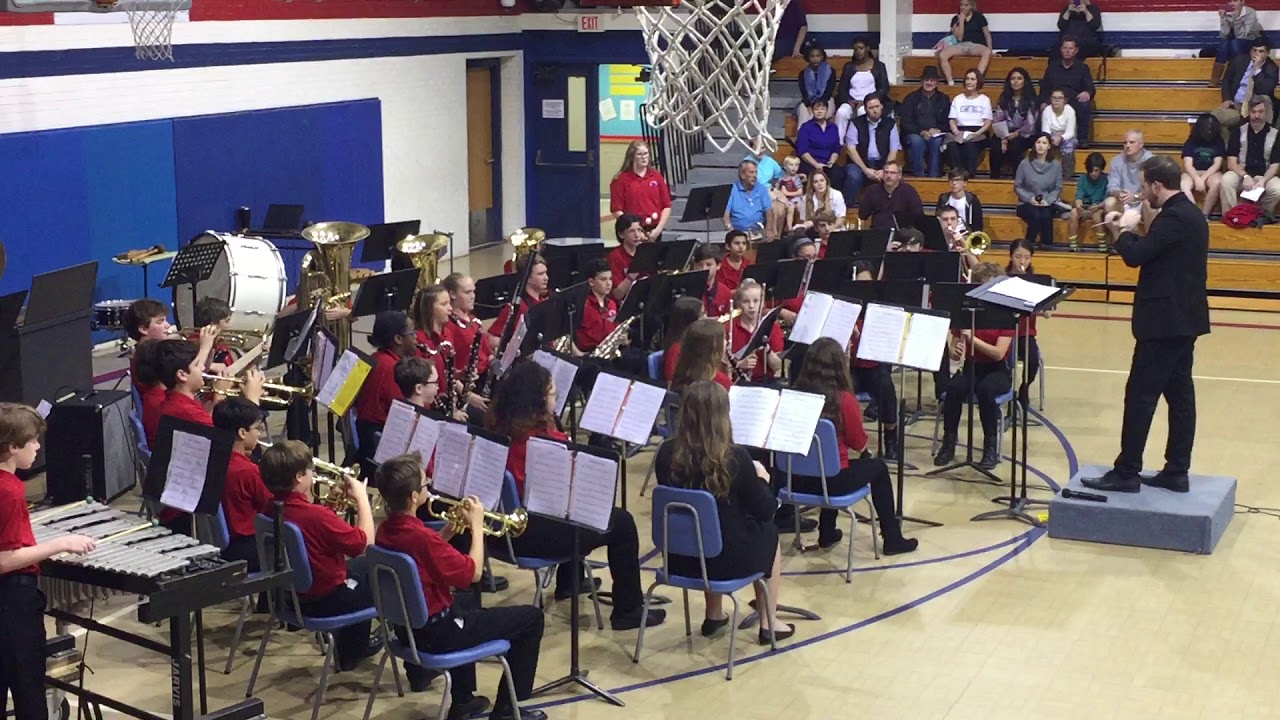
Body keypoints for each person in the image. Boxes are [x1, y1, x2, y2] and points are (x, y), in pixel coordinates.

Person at [486, 362, 666, 631]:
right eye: (551, 393)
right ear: (537, 400)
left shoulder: (498, 428)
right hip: (534, 538)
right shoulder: (546, 442)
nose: (555, 398)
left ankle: (570, 582)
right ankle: (628, 611)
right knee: (622, 523)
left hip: (502, 533)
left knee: (567, 511)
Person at [374, 454, 548, 720]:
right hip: (439, 634)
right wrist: (477, 527)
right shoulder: (421, 538)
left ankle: (463, 701)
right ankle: (507, 712)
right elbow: (474, 573)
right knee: (532, 619)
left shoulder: (386, 530)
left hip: (408, 630)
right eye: (424, 484)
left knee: (464, 602)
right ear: (412, 497)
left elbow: (425, 554)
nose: (428, 486)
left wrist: (453, 529)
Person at [1083, 155, 1209, 494]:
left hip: (1164, 324)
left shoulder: (1174, 219)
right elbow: (1157, 251)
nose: (1142, 191)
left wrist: (1119, 230)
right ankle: (1176, 470)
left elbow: (1136, 256)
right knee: (1180, 395)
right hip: (1183, 320)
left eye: (1144, 185)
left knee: (1140, 395)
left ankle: (1127, 472)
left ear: (1156, 185)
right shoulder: (1189, 214)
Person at [654, 381, 795, 643]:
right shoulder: (735, 459)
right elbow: (765, 510)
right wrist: (763, 479)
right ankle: (769, 622)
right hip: (725, 563)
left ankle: (714, 615)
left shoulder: (665, 454)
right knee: (769, 533)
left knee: (709, 530)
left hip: (679, 559)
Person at [0, 403, 96, 720]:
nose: (38, 446)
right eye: (32, 441)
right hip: (12, 601)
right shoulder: (10, 491)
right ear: (13, 447)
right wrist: (59, 544)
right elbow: (3, 561)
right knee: (29, 692)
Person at [260, 439, 378, 672]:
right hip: (324, 601)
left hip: (289, 597)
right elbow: (364, 544)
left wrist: (331, 508)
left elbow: (314, 535)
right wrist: (363, 499)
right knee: (382, 577)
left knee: (362, 569)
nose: (314, 474)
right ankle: (354, 652)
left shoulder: (269, 507)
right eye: (310, 470)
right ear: (298, 477)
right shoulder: (315, 516)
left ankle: (353, 648)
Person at [791, 340, 919, 554]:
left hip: (795, 480)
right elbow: (858, 442)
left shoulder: (794, 396)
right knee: (877, 468)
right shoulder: (843, 400)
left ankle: (828, 531)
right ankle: (892, 538)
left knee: (826, 463)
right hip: (831, 482)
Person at [933, 262, 1014, 471]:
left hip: (997, 371)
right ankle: (948, 443)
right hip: (972, 367)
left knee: (986, 390)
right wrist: (955, 350)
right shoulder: (967, 311)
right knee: (953, 388)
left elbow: (998, 354)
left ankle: (990, 448)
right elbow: (953, 348)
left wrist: (972, 339)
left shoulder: (1005, 315)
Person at [210, 398, 272, 570]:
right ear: (242, 433)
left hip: (218, 543)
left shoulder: (210, 458)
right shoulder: (247, 471)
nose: (259, 434)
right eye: (257, 428)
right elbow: (276, 508)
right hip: (247, 549)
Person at [353, 311, 418, 468]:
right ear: (398, 339)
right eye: (412, 333)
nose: (416, 337)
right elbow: (405, 412)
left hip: (368, 434)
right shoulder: (391, 369)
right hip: (378, 445)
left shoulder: (377, 358)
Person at [1220, 96, 1280, 214]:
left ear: (1266, 112)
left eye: (1260, 112)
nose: (1256, 116)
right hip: (1242, 175)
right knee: (1226, 179)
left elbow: (1274, 166)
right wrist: (1246, 176)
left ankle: (1259, 214)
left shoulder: (1276, 135)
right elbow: (1231, 163)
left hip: (1264, 176)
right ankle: (1231, 215)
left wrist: (1263, 180)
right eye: (1253, 112)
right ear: (1249, 112)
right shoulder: (1237, 132)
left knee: (1277, 189)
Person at [442, 272, 493, 408]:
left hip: (484, 379)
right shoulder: (449, 326)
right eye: (467, 292)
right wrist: (469, 396)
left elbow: (488, 354)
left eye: (473, 292)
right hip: (465, 387)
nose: (473, 297)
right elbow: (447, 369)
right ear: (452, 295)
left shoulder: (474, 321)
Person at [843, 93, 900, 207]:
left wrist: (885, 170)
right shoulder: (855, 123)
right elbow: (851, 149)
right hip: (860, 163)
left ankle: (889, 209)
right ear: (865, 109)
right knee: (853, 175)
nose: (875, 110)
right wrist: (865, 169)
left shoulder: (890, 124)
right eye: (871, 108)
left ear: (881, 107)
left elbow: (894, 149)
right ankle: (848, 209)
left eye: (877, 107)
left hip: (882, 164)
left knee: (894, 175)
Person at [1005, 240, 1043, 409]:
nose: (1022, 262)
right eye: (1018, 257)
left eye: (1027, 258)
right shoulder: (1002, 278)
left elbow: (1047, 312)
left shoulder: (1036, 282)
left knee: (1033, 359)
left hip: (1025, 333)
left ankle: (1024, 388)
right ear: (1011, 257)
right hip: (1004, 331)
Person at [609, 140, 672, 239]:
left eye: (646, 153)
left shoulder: (656, 176)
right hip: (632, 230)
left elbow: (666, 206)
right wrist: (636, 231)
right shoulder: (620, 180)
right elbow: (616, 210)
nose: (644, 157)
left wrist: (658, 229)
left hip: (654, 228)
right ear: (632, 157)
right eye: (639, 154)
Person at [1213, 38, 1278, 134]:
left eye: (1261, 51)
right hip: (1235, 106)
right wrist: (1227, 99)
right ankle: (1227, 147)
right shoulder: (1239, 60)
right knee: (1212, 119)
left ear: (1267, 53)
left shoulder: (1272, 68)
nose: (1256, 54)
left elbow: (1265, 89)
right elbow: (1227, 80)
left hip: (1254, 108)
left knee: (1265, 99)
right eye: (1254, 50)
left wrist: (1257, 70)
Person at [1039, 36, 1095, 147]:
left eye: (1070, 48)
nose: (1067, 51)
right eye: (1065, 48)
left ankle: (1082, 140)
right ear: (1061, 49)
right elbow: (1044, 87)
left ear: (1076, 50)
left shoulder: (1083, 68)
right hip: (1055, 100)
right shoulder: (1052, 67)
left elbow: (1090, 88)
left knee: (1084, 105)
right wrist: (1044, 102)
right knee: (1041, 107)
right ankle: (1044, 139)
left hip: (1073, 99)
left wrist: (1087, 93)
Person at [834, 37, 892, 139]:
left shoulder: (878, 66)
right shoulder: (849, 66)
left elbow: (884, 88)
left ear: (867, 48)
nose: (858, 51)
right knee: (841, 112)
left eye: (861, 48)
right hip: (851, 101)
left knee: (862, 112)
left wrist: (868, 101)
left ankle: (863, 143)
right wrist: (848, 101)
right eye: (855, 49)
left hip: (869, 102)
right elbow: (842, 88)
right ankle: (838, 143)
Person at [899, 66, 952, 178]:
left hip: (936, 134)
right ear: (922, 81)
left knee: (936, 142)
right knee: (916, 141)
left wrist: (938, 130)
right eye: (927, 80)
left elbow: (948, 121)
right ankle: (919, 175)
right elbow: (906, 122)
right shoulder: (911, 98)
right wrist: (921, 132)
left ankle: (933, 177)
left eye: (932, 80)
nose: (929, 83)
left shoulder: (944, 99)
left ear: (937, 82)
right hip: (915, 133)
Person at [728, 280, 782, 383]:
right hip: (738, 383)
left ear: (763, 303)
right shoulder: (728, 327)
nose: (751, 306)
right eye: (746, 301)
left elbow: (780, 367)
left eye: (756, 301)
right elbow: (722, 368)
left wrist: (768, 351)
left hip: (766, 382)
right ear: (738, 303)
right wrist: (740, 365)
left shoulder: (773, 327)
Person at [1015, 133, 1064, 247]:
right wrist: (1029, 198)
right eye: (1038, 142)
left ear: (1049, 146)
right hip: (1026, 203)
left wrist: (1048, 200)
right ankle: (1028, 244)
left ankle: (1047, 245)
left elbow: (1057, 188)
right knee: (1036, 214)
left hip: (1047, 202)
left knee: (1046, 215)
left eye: (1044, 143)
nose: (1040, 145)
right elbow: (1017, 186)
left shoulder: (1055, 165)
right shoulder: (1024, 163)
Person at [488, 254, 548, 348]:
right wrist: (514, 347)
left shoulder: (546, 301)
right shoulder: (517, 307)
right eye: (540, 274)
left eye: (545, 273)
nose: (546, 278)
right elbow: (489, 338)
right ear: (527, 278)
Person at [990, 67, 1039, 180]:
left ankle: (1017, 179)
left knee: (1015, 146)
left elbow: (1030, 124)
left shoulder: (1032, 99)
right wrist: (1004, 137)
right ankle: (994, 179)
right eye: (1013, 79)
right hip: (1005, 133)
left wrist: (1016, 134)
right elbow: (998, 119)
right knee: (995, 146)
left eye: (1019, 78)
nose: (1016, 81)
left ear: (1025, 81)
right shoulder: (1004, 98)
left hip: (1024, 134)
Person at [947, 69, 993, 177]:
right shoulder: (958, 98)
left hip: (978, 133)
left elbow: (988, 122)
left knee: (970, 146)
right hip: (960, 131)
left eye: (972, 79)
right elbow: (952, 120)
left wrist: (975, 134)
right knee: (952, 146)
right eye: (967, 79)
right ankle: (956, 176)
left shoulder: (984, 99)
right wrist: (956, 132)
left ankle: (969, 176)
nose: (969, 82)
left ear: (978, 82)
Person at [936, 0, 993, 87]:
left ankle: (976, 79)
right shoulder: (956, 19)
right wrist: (961, 21)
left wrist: (991, 49)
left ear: (971, 6)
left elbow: (987, 35)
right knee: (943, 54)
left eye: (966, 5)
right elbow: (959, 38)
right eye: (961, 5)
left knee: (987, 52)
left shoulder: (979, 17)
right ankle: (950, 82)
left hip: (975, 45)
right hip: (960, 45)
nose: (963, 7)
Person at [1104, 130, 1155, 225]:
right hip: (1123, 202)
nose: (1127, 146)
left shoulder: (1151, 161)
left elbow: (1154, 191)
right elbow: (1112, 186)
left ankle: (1150, 238)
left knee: (1150, 204)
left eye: (1132, 142)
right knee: (1109, 202)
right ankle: (1118, 238)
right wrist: (1119, 193)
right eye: (1125, 143)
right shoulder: (1116, 160)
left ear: (1141, 144)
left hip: (1142, 201)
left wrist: (1135, 196)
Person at [1181, 113, 1227, 218]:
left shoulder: (1218, 142)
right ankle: (1195, 214)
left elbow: (1217, 164)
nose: (1209, 131)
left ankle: (1205, 214)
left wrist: (1203, 178)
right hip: (1193, 171)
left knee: (1217, 183)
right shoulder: (1191, 141)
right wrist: (1197, 178)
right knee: (1183, 184)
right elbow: (1188, 164)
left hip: (1212, 172)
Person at [669, 318, 733, 392]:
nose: (726, 342)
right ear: (714, 349)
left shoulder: (680, 374)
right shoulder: (721, 381)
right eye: (724, 339)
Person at [857, 161, 924, 231]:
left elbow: (918, 216)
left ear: (899, 175)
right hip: (877, 233)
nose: (888, 176)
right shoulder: (873, 190)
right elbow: (862, 215)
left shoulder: (908, 191)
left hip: (901, 234)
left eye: (892, 173)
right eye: (886, 172)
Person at [795, 101, 846, 192]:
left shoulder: (833, 127)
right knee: (812, 174)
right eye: (816, 109)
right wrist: (816, 165)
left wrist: (832, 160)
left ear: (827, 111)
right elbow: (802, 150)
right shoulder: (806, 127)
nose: (819, 111)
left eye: (822, 109)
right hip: (810, 163)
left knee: (838, 174)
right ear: (812, 111)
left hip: (827, 163)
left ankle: (833, 201)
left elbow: (836, 148)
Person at [1213, 0, 1263, 86]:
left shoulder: (1250, 12)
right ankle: (1215, 79)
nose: (1232, 4)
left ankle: (1236, 77)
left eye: (1235, 1)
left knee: (1235, 43)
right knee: (1224, 45)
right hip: (1235, 40)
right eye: (1230, 1)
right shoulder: (1228, 13)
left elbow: (1242, 35)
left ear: (1242, 2)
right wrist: (1223, 19)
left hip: (1252, 40)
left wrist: (1237, 19)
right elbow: (1224, 34)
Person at [1069, 152, 1110, 251]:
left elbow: (1107, 199)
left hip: (1099, 207)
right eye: (1091, 171)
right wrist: (1079, 204)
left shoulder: (1106, 179)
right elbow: (1079, 196)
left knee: (1097, 215)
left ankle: (1102, 245)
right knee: (1074, 213)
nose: (1093, 174)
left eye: (1096, 170)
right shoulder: (1083, 179)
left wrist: (1099, 206)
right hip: (1086, 207)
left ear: (1101, 169)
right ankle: (1073, 245)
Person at [723, 159, 774, 236]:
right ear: (742, 175)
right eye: (751, 172)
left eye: (756, 172)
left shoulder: (761, 189)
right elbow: (725, 215)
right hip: (736, 231)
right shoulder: (732, 189)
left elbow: (769, 212)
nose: (755, 175)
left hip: (758, 231)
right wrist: (731, 231)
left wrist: (769, 229)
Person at [660, 297, 705, 382]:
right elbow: (672, 385)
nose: (706, 317)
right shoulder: (676, 351)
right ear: (691, 321)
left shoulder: (693, 342)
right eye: (702, 314)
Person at [607, 213, 650, 302]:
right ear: (621, 234)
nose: (637, 235)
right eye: (632, 231)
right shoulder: (615, 257)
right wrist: (633, 274)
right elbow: (617, 294)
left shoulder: (647, 251)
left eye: (639, 230)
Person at [1041, 86, 1078, 178]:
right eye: (1054, 98)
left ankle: (1067, 175)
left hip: (1067, 136)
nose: (1056, 100)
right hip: (1051, 136)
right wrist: (1052, 139)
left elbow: (1070, 132)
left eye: (1060, 98)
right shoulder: (1047, 110)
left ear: (1065, 100)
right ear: (1050, 99)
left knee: (1068, 148)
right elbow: (1045, 130)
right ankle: (1046, 173)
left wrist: (1060, 138)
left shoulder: (1070, 111)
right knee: (1043, 145)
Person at [190, 297, 237, 368]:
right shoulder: (191, 344)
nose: (229, 326)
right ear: (212, 324)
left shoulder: (220, 343)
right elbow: (193, 370)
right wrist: (212, 366)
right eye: (226, 321)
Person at [935, 169, 985, 234]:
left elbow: (978, 224)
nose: (954, 183)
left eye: (957, 180)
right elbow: (938, 219)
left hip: (966, 234)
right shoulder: (943, 199)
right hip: (947, 233)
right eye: (951, 180)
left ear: (965, 183)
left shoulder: (972, 200)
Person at [796, 45, 837, 126]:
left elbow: (829, 90)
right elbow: (804, 92)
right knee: (804, 111)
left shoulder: (830, 71)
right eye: (812, 56)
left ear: (822, 57)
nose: (815, 59)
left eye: (818, 56)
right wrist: (809, 105)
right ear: (808, 57)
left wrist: (820, 104)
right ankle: (803, 136)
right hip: (809, 101)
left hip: (826, 100)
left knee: (821, 112)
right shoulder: (802, 74)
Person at [691, 243, 732, 317]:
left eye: (709, 265)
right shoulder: (689, 291)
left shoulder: (725, 292)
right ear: (694, 266)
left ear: (718, 265)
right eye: (699, 265)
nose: (704, 269)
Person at [776, 156, 807, 230]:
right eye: (791, 165)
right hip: (786, 200)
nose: (794, 167)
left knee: (799, 207)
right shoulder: (782, 178)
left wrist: (787, 193)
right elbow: (777, 188)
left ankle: (801, 225)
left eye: (796, 165)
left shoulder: (796, 178)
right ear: (785, 166)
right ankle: (789, 228)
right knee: (791, 208)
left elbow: (800, 192)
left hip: (796, 198)